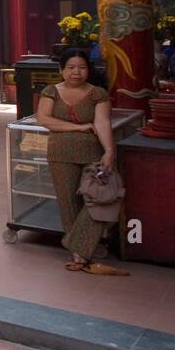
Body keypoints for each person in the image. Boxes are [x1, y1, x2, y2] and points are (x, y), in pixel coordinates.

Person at [35, 48, 128, 275]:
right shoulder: (51, 92)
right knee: (68, 202)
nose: (76, 72)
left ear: (89, 69)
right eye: (71, 67)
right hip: (60, 153)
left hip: (92, 152)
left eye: (82, 67)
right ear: (61, 70)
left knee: (99, 199)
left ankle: (79, 247)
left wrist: (109, 151)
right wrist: (78, 127)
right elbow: (44, 120)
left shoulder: (98, 94)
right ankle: (79, 253)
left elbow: (103, 123)